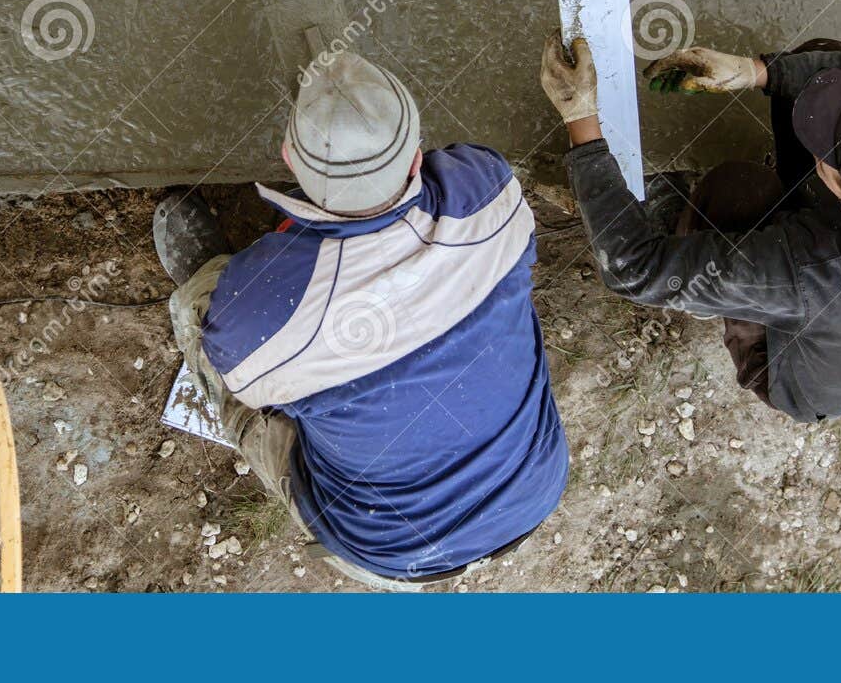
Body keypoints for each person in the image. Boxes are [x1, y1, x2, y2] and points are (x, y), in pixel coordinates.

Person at [156, 51, 567, 590]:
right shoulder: (490, 187)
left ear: (286, 157)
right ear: (418, 157)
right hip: (533, 491)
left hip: (387, 549)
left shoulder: (256, 319)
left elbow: (260, 391)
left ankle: (203, 272)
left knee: (210, 329)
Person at [539, 33, 841, 423]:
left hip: (799, 379)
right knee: (822, 59)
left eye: (826, 158)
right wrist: (754, 71)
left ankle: (704, 283)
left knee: (735, 189)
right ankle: (793, 176)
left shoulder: (810, 273)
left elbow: (631, 268)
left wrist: (581, 120)